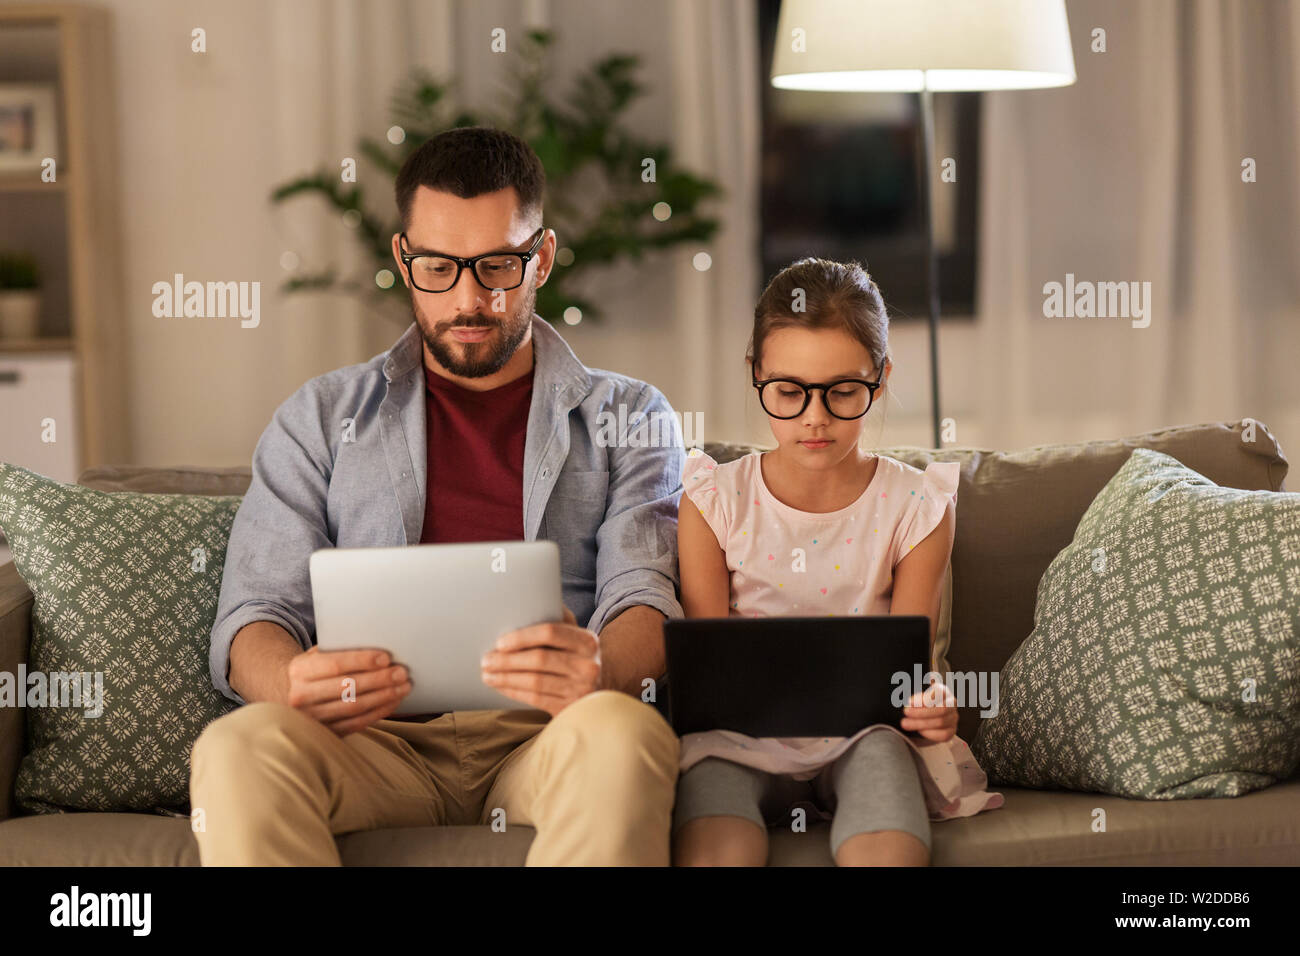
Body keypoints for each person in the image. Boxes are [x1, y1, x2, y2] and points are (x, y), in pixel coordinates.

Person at [190, 126, 684, 866]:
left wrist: (601, 672)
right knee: (236, 747)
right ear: (402, 258)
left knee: (628, 732)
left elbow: (643, 594)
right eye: (437, 268)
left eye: (496, 266)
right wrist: (291, 679)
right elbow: (255, 614)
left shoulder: (631, 415)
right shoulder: (320, 418)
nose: (468, 298)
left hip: (550, 734)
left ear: (541, 256)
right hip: (367, 740)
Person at [672, 257, 1003, 866]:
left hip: (865, 732)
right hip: (735, 737)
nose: (815, 417)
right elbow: (707, 670)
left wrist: (932, 706)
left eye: (843, 391)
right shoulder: (713, 500)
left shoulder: (918, 505)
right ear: (756, 375)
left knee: (887, 840)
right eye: (789, 392)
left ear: (879, 378)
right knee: (717, 843)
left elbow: (910, 663)